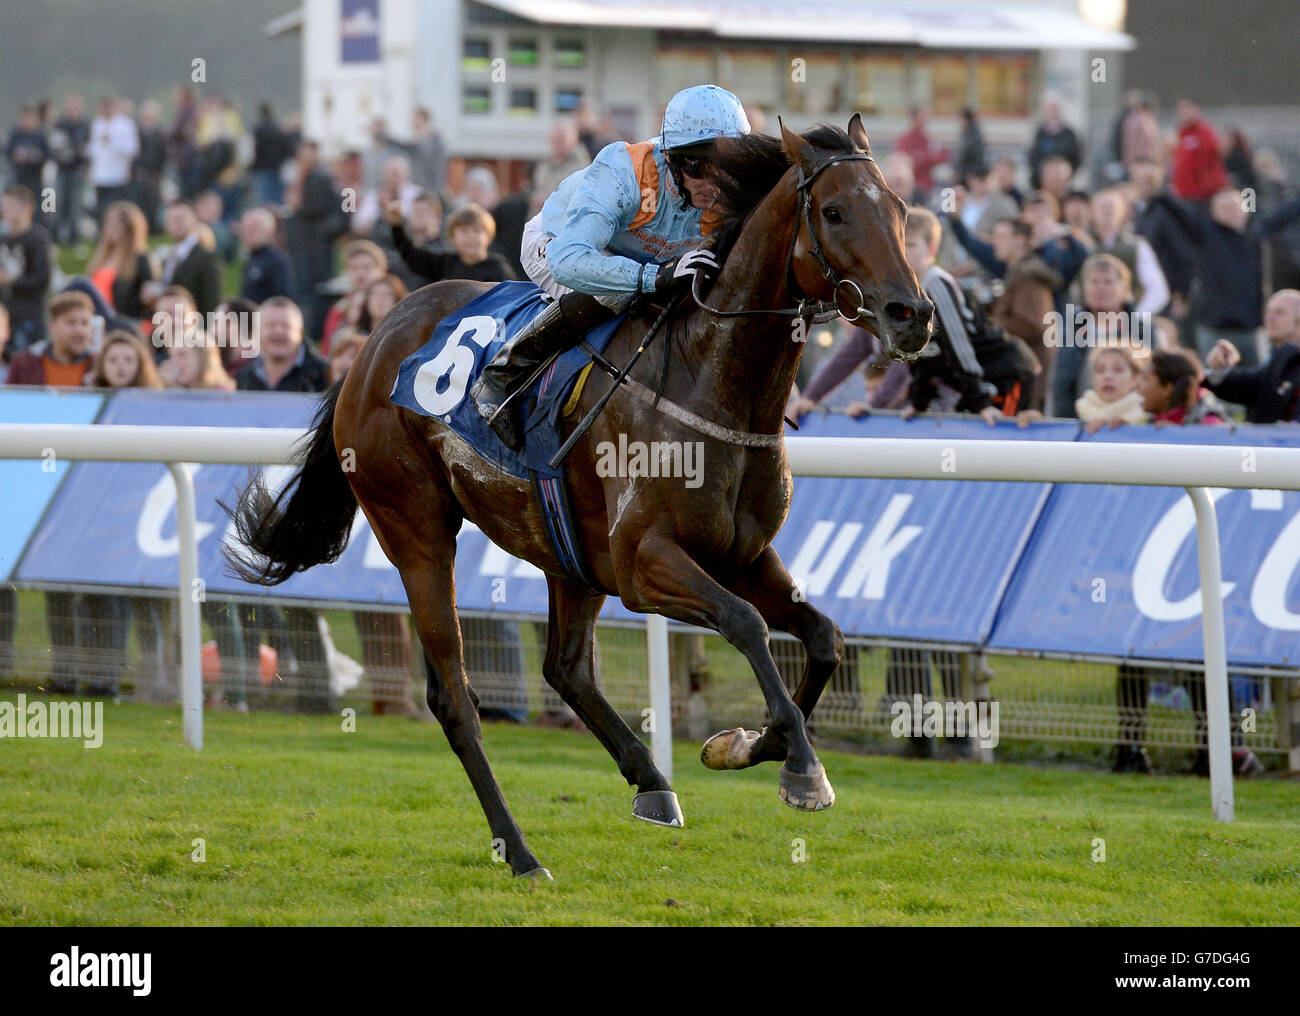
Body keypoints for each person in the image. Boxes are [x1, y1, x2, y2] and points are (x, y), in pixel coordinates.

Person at [470, 83, 749, 449]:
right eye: (700, 167)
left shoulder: (735, 191)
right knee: (617, 294)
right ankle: (503, 374)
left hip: (636, 257)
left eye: (725, 167)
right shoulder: (625, 170)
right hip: (557, 243)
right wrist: (653, 277)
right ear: (672, 158)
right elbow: (568, 261)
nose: (714, 185)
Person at [1157, 186, 1300, 368]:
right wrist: (1159, 190)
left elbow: (1285, 214)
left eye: (1235, 207)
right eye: (1225, 208)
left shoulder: (1256, 232)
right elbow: (1180, 212)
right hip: (1216, 330)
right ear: (1214, 213)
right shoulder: (1206, 233)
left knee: (1260, 380)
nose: (1231, 212)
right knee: (1218, 379)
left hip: (1252, 330)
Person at [1204, 289, 1300, 423]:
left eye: (1280, 312)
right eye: (1268, 311)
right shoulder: (1279, 358)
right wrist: (1219, 369)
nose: (1270, 318)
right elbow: (1249, 388)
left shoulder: (1288, 355)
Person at [386, 200, 516, 286]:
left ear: (489, 236)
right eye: (464, 231)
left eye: (477, 231)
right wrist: (397, 226)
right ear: (453, 237)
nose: (471, 237)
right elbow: (412, 255)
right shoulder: (445, 263)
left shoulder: (498, 268)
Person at [0, 184, 54, 353]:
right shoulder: (4, 239)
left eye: (11, 206)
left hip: (29, 315)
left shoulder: (38, 239)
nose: (5, 211)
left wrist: (11, 280)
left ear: (27, 208)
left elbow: (42, 279)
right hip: (5, 314)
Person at [235, 295, 328, 392]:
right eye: (270, 325)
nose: (278, 331)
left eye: (286, 326)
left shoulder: (324, 375)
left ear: (300, 333)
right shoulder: (243, 377)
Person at [86, 201, 158, 322]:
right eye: (108, 222)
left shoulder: (140, 258)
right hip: (99, 319)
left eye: (118, 223)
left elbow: (150, 294)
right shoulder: (102, 257)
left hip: (125, 321)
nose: (111, 227)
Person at [6, 289, 95, 386]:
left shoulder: (98, 365)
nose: (79, 329)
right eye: (71, 322)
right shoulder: (24, 363)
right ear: (52, 326)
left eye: (85, 323)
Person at [160, 199, 222, 316]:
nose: (177, 223)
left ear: (194, 220)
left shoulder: (206, 257)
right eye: (172, 219)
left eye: (181, 218)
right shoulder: (168, 257)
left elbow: (211, 301)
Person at [87, 97, 138, 227]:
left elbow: (132, 149)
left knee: (115, 208)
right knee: (100, 209)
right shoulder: (97, 123)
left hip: (117, 175)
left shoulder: (126, 124)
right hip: (100, 175)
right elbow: (94, 149)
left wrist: (112, 141)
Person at [1075, 345, 1146, 433]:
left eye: (1118, 370)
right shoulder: (1079, 410)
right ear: (1092, 379)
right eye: (1100, 370)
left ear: (1135, 378)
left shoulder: (1148, 414)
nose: (1107, 376)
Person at [1171, 99, 1227, 205]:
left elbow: (1210, 157)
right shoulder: (1182, 133)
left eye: (1188, 109)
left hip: (1202, 193)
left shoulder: (1205, 132)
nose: (1185, 113)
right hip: (1185, 192)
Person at [50, 94, 90, 244]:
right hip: (62, 170)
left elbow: (87, 149)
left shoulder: (85, 125)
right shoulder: (60, 124)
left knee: (75, 205)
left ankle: (74, 238)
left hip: (78, 171)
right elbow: (57, 146)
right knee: (57, 203)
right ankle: (55, 236)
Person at [238, 206, 292, 303]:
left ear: (270, 230)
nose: (248, 233)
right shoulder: (250, 259)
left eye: (254, 228)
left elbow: (283, 299)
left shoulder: (277, 261)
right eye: (245, 228)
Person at [1028, 93, 1082, 189]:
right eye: (1049, 109)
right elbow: (1033, 157)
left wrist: (1063, 173)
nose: (1052, 112)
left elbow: (1076, 157)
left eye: (1054, 108)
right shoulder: (1040, 133)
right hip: (1042, 184)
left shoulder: (1069, 134)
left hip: (1064, 182)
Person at [250, 103, 294, 206]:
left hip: (261, 167)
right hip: (277, 167)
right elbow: (287, 149)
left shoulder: (257, 130)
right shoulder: (278, 129)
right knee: (277, 197)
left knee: (263, 196)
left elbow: (253, 150)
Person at [6, 104, 49, 203]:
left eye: (29, 118)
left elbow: (48, 155)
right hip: (19, 179)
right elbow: (8, 152)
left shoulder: (40, 135)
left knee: (37, 205)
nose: (26, 121)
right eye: (24, 118)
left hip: (36, 179)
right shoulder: (15, 134)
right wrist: (16, 156)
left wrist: (37, 156)